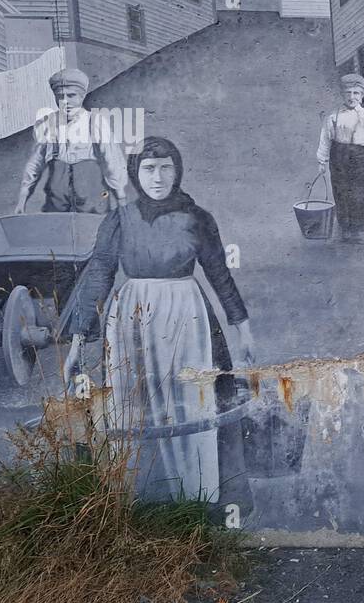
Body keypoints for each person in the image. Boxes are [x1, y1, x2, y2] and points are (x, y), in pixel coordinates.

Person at [63, 137, 255, 503]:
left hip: (189, 318)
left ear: (177, 170)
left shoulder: (197, 219)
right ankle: (145, 497)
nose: (158, 177)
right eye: (149, 169)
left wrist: (242, 330)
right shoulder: (119, 219)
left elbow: (219, 274)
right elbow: (99, 275)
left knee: (193, 400)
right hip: (131, 323)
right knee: (136, 404)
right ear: (136, 173)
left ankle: (197, 494)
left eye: (166, 167)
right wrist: (76, 342)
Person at [15, 68, 127, 215]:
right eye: (60, 97)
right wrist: (23, 199)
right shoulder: (47, 124)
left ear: (82, 96)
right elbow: (35, 163)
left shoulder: (95, 122)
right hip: (57, 198)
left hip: (91, 195)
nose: (65, 102)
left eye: (71, 95)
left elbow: (112, 160)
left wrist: (121, 199)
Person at [315, 73, 364, 244]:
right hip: (339, 155)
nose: (352, 97)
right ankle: (345, 229)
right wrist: (322, 160)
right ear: (342, 94)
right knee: (341, 192)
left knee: (359, 193)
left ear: (362, 95)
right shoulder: (333, 116)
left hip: (361, 157)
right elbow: (325, 138)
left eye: (356, 93)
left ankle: (358, 230)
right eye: (348, 93)